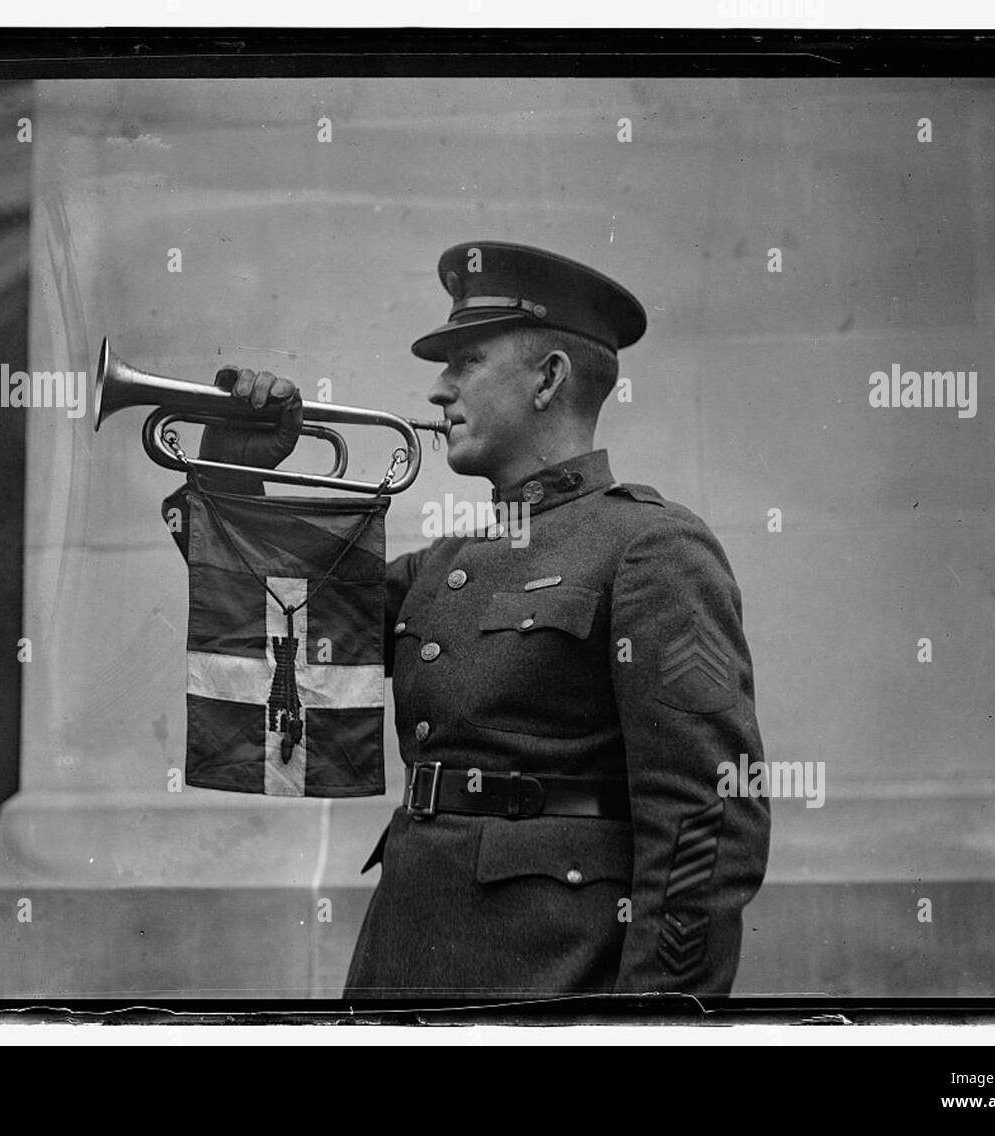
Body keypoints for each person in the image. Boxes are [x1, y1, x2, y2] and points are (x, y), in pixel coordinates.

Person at [200, 241, 770, 997]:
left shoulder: (653, 548)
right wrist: (235, 475)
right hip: (404, 963)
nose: (438, 391)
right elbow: (277, 639)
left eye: (465, 361)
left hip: (550, 980)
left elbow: (708, 821)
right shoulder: (443, 567)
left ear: (549, 379)